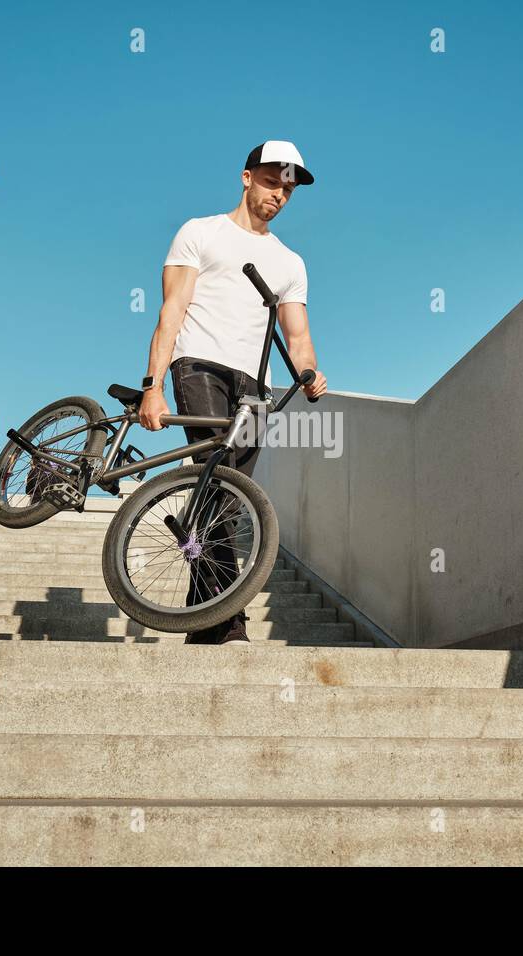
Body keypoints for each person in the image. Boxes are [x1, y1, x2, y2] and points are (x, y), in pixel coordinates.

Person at [137, 141, 328, 644]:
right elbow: (171, 312)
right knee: (218, 480)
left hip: (255, 387)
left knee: (229, 498)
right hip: (199, 365)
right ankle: (229, 618)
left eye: (288, 187)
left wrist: (309, 373)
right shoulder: (200, 232)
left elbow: (298, 335)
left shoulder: (290, 262)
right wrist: (152, 387)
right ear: (246, 178)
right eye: (272, 181)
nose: (280, 194)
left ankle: (202, 615)